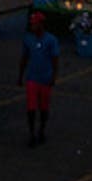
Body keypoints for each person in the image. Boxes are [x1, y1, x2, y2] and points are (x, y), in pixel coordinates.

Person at [19, 10, 61, 147]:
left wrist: (54, 76)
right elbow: (24, 58)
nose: (32, 27)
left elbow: (55, 59)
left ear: (41, 25)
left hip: (45, 77)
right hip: (32, 77)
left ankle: (41, 129)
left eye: (34, 24)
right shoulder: (28, 39)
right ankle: (32, 133)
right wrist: (20, 75)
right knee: (31, 108)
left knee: (43, 108)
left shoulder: (51, 40)